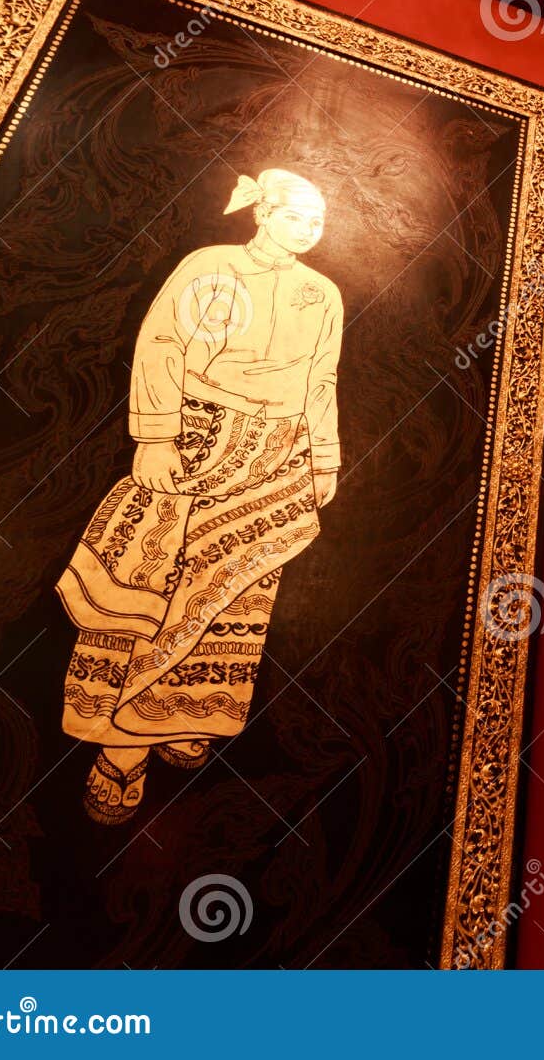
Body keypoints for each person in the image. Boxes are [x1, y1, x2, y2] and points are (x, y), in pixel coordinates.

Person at [55, 169, 343, 824]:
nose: (308, 230)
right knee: (157, 585)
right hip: (197, 440)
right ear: (263, 214)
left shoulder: (321, 293)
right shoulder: (209, 266)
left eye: (317, 221)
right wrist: (155, 437)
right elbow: (160, 347)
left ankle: (184, 713)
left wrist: (323, 455)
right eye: (297, 216)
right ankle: (121, 747)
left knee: (236, 591)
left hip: (276, 456)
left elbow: (321, 378)